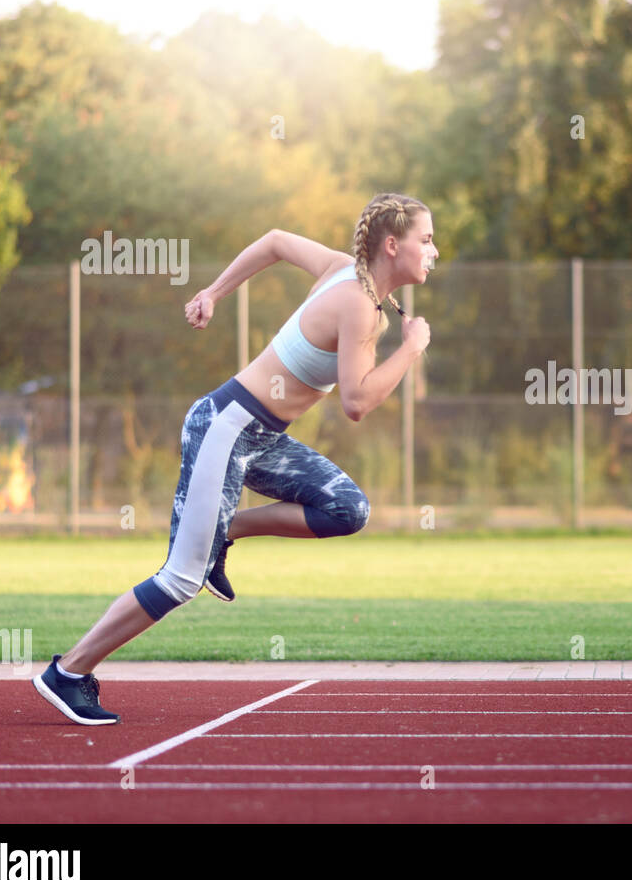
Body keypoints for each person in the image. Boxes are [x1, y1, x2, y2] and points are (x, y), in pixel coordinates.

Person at [31, 193, 437, 725]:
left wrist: (214, 293)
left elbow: (274, 242)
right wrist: (411, 348)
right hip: (225, 427)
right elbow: (356, 402)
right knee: (181, 578)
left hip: (263, 437)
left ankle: (229, 530)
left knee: (347, 508)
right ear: (392, 245)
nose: (434, 252)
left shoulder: (349, 275)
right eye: (425, 240)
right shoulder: (358, 302)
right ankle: (69, 672)